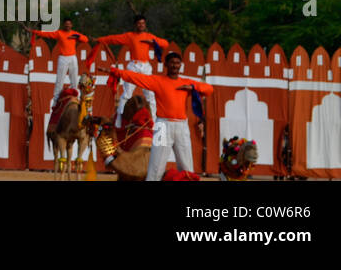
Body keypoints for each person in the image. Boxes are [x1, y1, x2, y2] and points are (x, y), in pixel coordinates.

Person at [111, 51, 212, 181]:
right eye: (172, 63)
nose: (175, 65)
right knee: (156, 166)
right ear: (166, 64)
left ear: (181, 65)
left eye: (177, 63)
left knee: (187, 166)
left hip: (182, 126)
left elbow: (209, 89)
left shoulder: (186, 82)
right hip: (162, 125)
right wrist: (115, 72)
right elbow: (135, 77)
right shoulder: (158, 81)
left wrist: (192, 88)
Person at [95, 15, 174, 125]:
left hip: (146, 66)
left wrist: (153, 42)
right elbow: (114, 39)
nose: (141, 25)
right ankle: (119, 119)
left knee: (150, 95)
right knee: (127, 94)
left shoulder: (149, 36)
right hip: (133, 66)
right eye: (139, 23)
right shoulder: (130, 36)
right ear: (135, 25)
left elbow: (165, 44)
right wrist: (100, 40)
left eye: (143, 23)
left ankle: (155, 122)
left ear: (145, 25)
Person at [30, 18, 88, 110]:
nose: (68, 25)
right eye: (66, 24)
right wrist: (35, 32)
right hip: (63, 58)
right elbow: (47, 34)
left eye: (69, 24)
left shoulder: (74, 33)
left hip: (73, 57)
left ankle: (76, 97)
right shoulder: (59, 33)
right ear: (64, 25)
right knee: (60, 79)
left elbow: (85, 39)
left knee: (74, 78)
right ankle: (56, 100)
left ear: (71, 25)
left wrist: (77, 37)